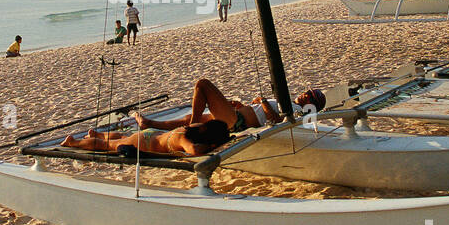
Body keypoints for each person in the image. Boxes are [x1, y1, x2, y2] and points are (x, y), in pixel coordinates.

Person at [134, 78, 328, 134]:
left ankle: (190, 129)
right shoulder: (290, 104)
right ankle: (149, 123)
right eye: (307, 91)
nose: (305, 94)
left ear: (312, 104)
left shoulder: (297, 112)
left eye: (309, 95)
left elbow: (276, 121)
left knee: (203, 84)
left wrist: (261, 101)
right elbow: (262, 114)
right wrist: (243, 105)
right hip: (238, 115)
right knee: (191, 117)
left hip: (238, 122)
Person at [59, 118, 230, 158]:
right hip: (145, 142)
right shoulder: (185, 139)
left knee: (121, 138)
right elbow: (193, 151)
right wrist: (213, 145)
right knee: (107, 146)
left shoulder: (194, 127)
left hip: (151, 136)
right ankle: (73, 141)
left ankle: (97, 134)